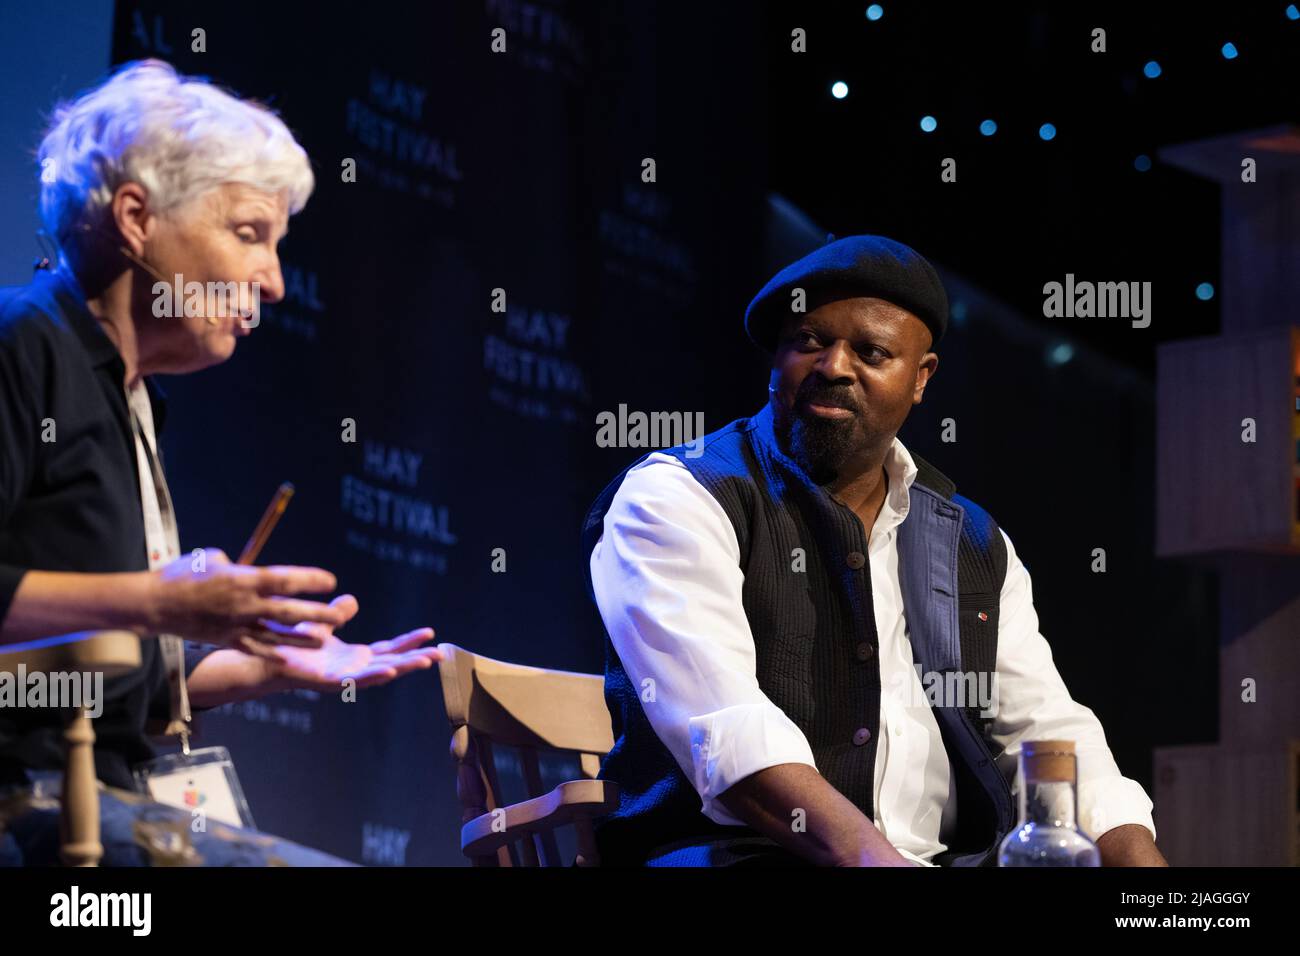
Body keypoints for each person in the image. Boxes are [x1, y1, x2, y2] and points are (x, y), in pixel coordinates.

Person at [582, 234, 1168, 867]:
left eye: (871, 351)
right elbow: (732, 736)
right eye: (809, 340)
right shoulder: (681, 496)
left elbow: (1047, 733)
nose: (834, 366)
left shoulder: (971, 540)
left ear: (921, 379)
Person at [0, 59, 440, 866]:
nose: (272, 282)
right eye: (248, 235)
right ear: (136, 218)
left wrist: (256, 665)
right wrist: (157, 601)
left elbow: (89, 669)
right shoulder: (20, 348)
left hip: (102, 798)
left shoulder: (129, 397)